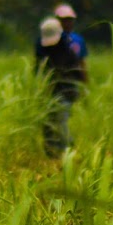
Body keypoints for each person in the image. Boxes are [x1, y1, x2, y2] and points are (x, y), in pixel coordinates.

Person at [35, 15, 86, 156]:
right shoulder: (42, 51)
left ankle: (68, 151)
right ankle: (52, 152)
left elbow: (77, 73)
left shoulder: (67, 52)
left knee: (61, 121)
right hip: (48, 92)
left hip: (65, 92)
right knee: (48, 123)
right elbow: (38, 71)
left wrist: (79, 89)